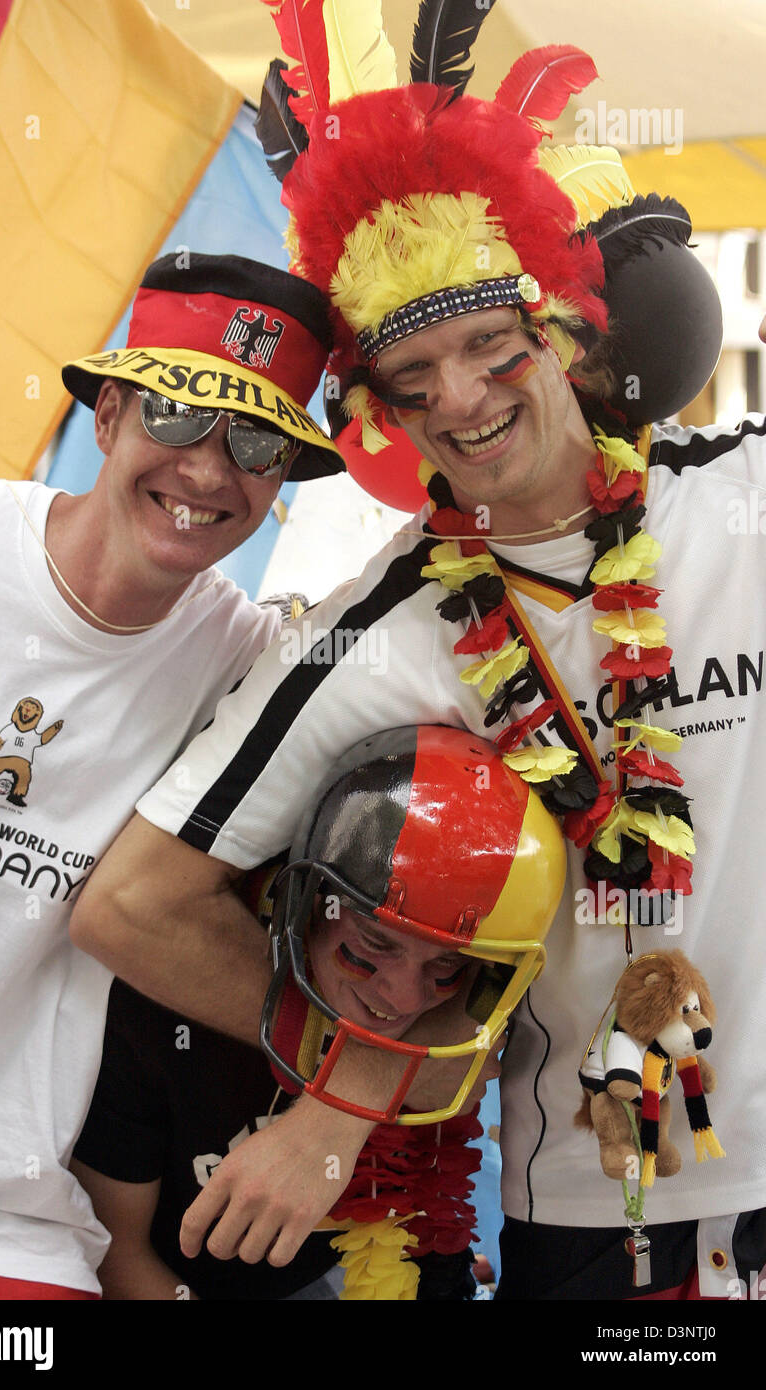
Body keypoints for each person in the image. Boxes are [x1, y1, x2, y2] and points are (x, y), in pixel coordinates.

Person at [70, 31, 766, 1301]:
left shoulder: (744, 500)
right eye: (411, 376)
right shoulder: (381, 629)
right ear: (383, 411)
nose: (462, 398)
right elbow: (132, 904)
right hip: (603, 1216)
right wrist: (360, 1084)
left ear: (556, 329)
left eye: (491, 344)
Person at [0, 250, 342, 1300]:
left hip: (0, 1211)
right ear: (107, 415)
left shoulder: (248, 671)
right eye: (180, 416)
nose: (207, 471)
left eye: (256, 442)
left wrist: (350, 1092)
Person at [71, 725, 564, 1299]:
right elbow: (117, 1255)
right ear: (301, 908)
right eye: (373, 946)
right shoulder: (165, 1006)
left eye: (444, 967)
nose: (403, 998)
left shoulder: (454, 1039)